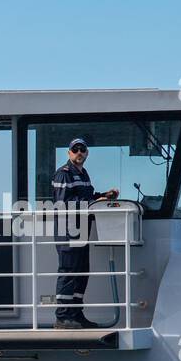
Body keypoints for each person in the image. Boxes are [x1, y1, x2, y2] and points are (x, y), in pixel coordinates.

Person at [52, 137, 118, 329]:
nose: (79, 152)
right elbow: (64, 203)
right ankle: (63, 317)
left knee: (82, 271)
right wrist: (94, 202)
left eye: (82, 149)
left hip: (82, 230)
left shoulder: (84, 173)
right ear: (69, 153)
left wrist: (104, 196)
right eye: (75, 149)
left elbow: (87, 197)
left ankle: (76, 313)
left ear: (87, 153)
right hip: (68, 230)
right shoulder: (63, 174)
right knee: (68, 271)